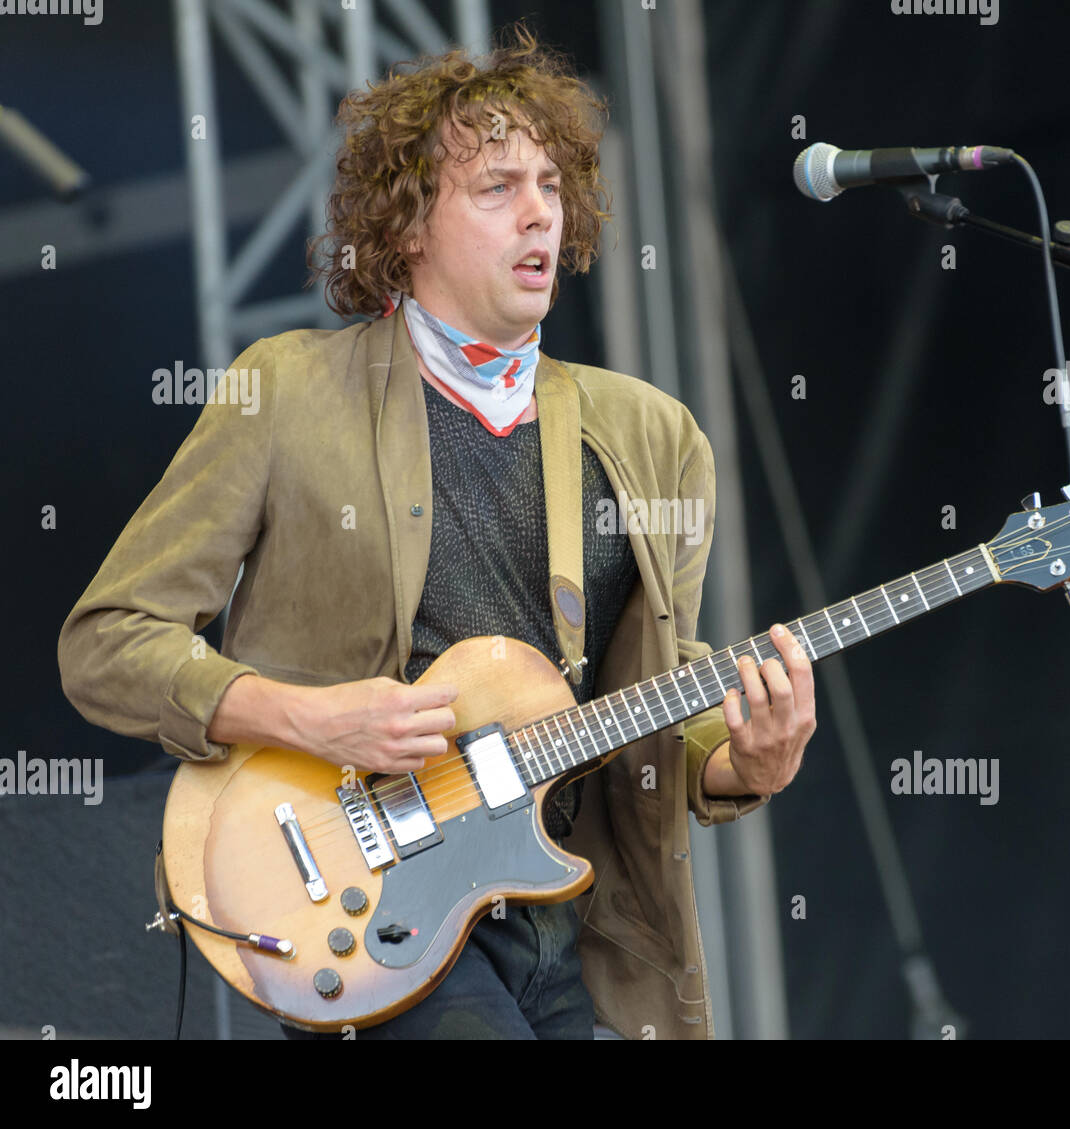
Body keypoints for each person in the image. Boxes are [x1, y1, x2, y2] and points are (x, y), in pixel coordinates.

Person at [57, 23, 815, 1041]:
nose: (539, 210)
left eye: (551, 183)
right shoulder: (284, 391)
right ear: (409, 225)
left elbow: (644, 709)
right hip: (370, 913)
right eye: (497, 187)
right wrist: (303, 717)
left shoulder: (652, 434)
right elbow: (105, 643)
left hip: (581, 927)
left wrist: (744, 763)